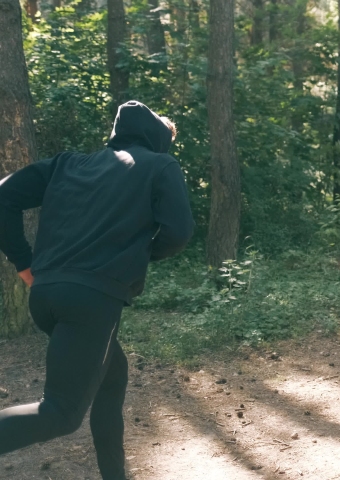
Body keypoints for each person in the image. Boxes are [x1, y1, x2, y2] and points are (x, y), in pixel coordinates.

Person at [0, 101, 194, 480]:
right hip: (90, 302)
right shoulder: (160, 166)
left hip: (46, 296)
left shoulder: (67, 164)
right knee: (60, 412)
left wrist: (25, 263)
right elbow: (179, 232)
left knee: (112, 375)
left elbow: (3, 196)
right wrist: (135, 253)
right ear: (158, 138)